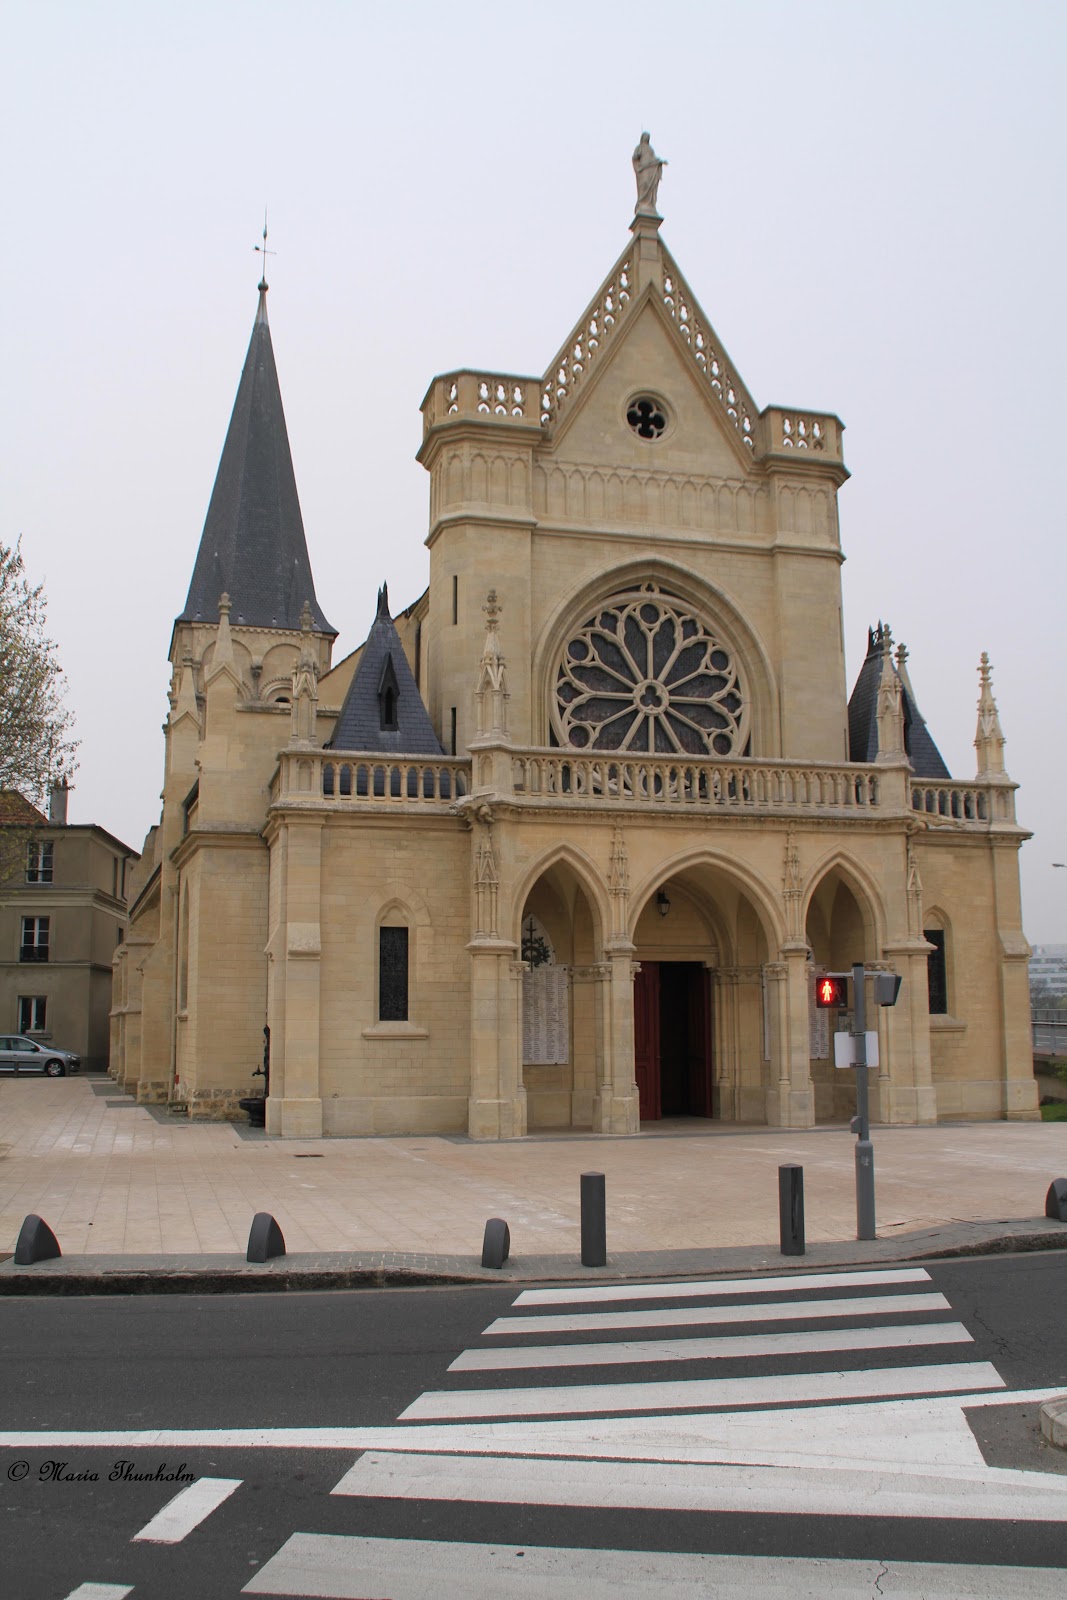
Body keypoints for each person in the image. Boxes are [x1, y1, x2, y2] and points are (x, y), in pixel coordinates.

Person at [632, 132, 667, 215]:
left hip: (650, 167)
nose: (647, 138)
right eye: (646, 136)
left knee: (651, 185)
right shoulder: (639, 147)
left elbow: (653, 158)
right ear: (642, 138)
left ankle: (649, 204)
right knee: (644, 184)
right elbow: (635, 157)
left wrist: (660, 161)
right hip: (643, 167)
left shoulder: (650, 148)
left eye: (648, 137)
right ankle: (642, 203)